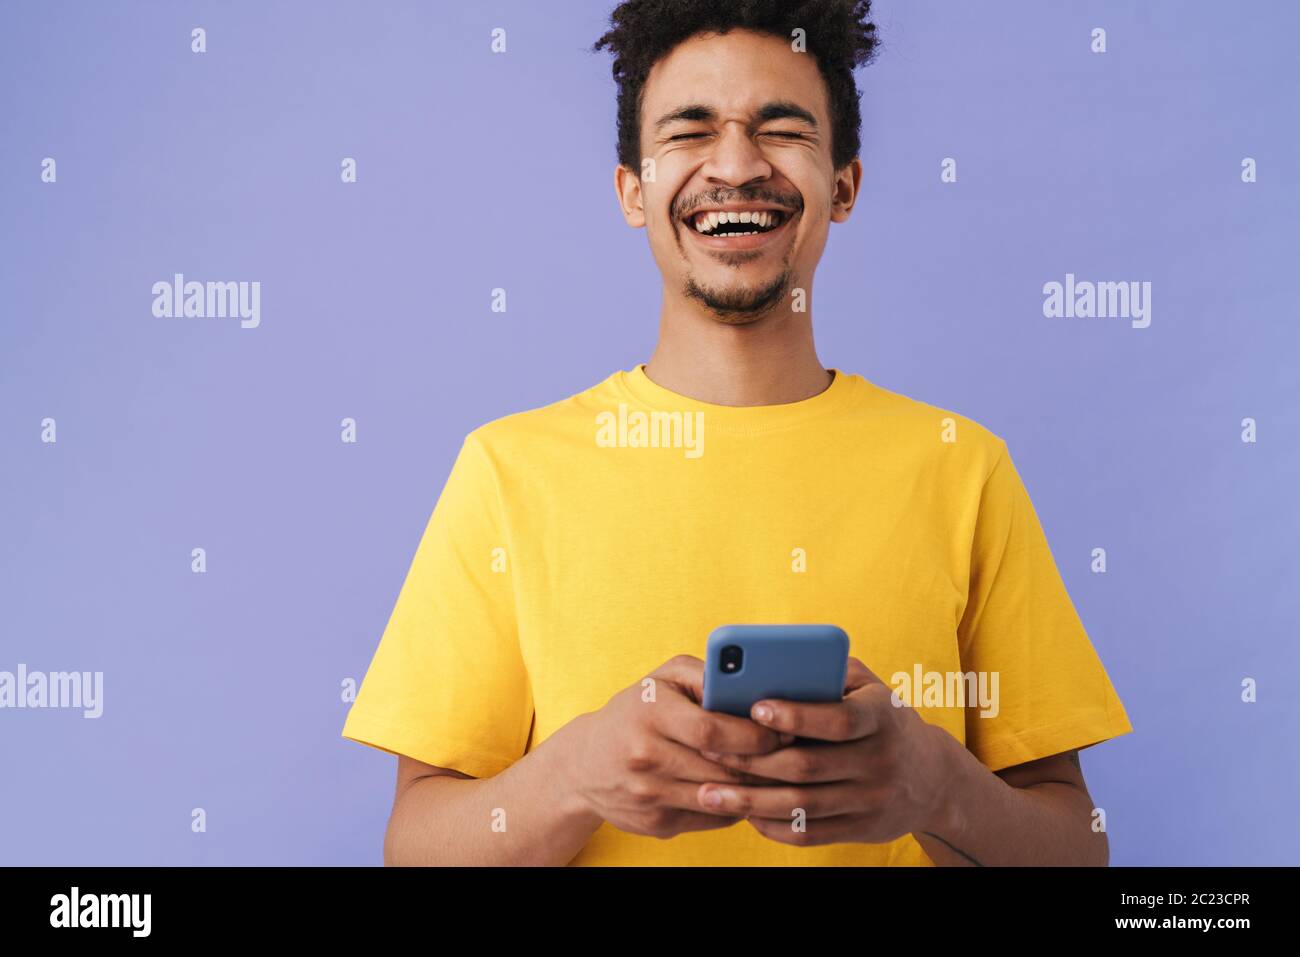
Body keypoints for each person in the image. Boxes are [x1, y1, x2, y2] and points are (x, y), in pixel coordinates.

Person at [342, 0, 1133, 866]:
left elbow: (1079, 851)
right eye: (689, 130)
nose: (735, 163)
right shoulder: (505, 470)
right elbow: (413, 848)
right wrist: (572, 776)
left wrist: (937, 786)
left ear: (845, 186)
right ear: (632, 192)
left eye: (781, 128)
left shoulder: (963, 467)